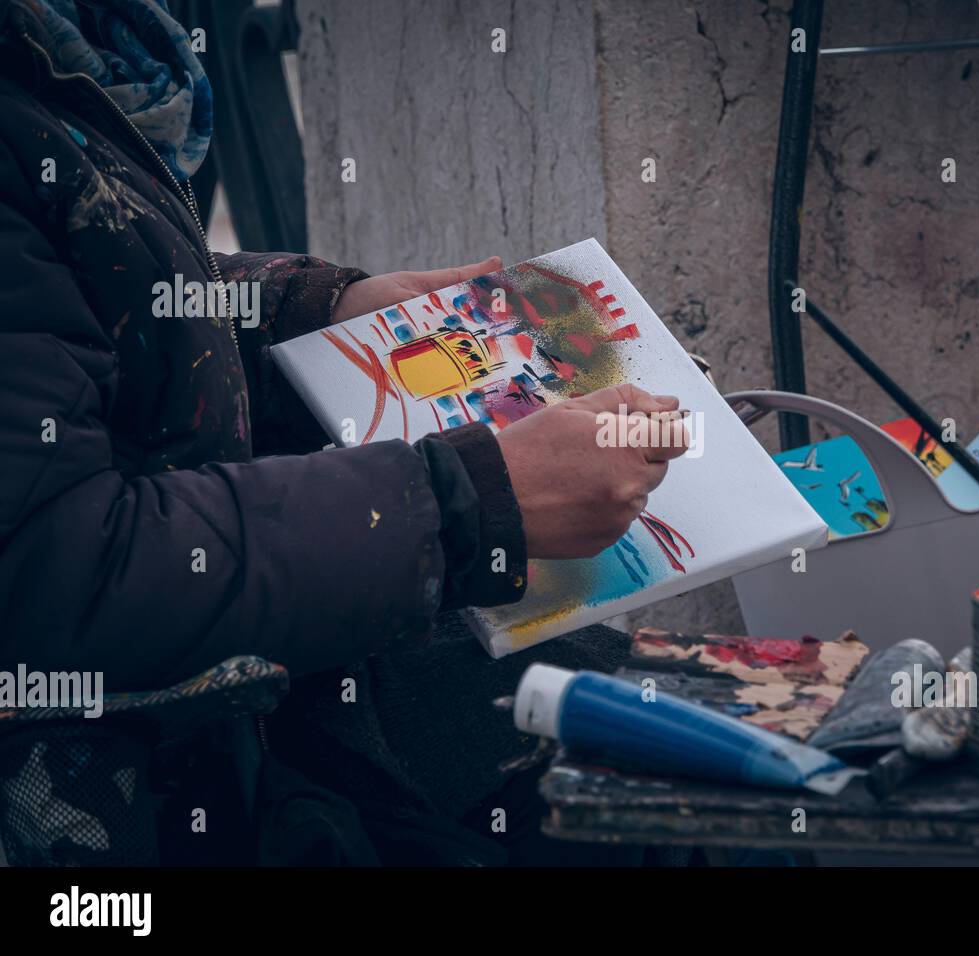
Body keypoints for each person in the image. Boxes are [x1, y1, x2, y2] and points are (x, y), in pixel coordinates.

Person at [0, 0, 686, 864]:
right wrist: (464, 502)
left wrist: (316, 318)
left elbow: (99, 318)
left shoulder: (83, 47)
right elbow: (48, 567)